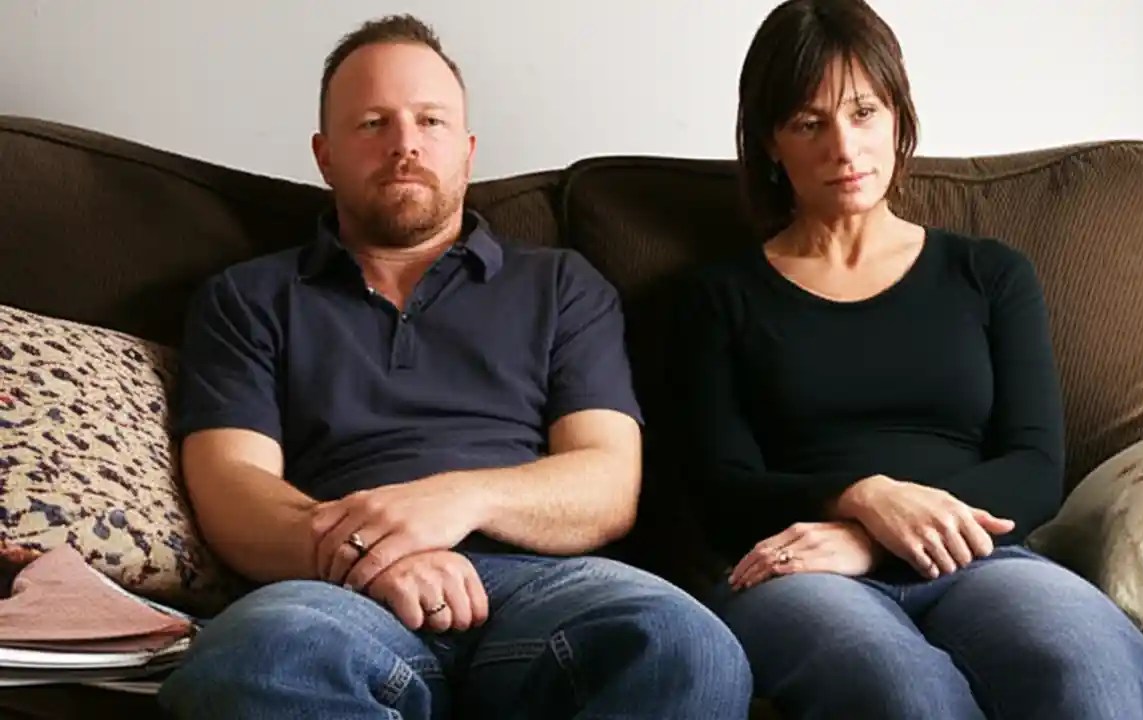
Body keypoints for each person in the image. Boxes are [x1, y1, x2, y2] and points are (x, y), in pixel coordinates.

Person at [158, 15, 752, 720]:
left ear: (467, 151)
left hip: (545, 587)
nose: (405, 144)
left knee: (690, 646)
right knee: (248, 663)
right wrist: (372, 553)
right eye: (373, 122)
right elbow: (232, 487)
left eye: (430, 121)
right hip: (334, 596)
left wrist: (456, 501)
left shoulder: (562, 286)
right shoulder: (248, 297)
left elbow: (608, 479)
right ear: (324, 156)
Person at [675, 1, 1143, 718]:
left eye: (864, 112)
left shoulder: (990, 274)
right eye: (808, 123)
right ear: (769, 144)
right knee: (904, 694)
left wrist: (870, 535)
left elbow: (1035, 470)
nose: (844, 148)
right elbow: (723, 489)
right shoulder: (716, 298)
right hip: (801, 572)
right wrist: (860, 493)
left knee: (1089, 665)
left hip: (978, 560)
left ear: (899, 117)